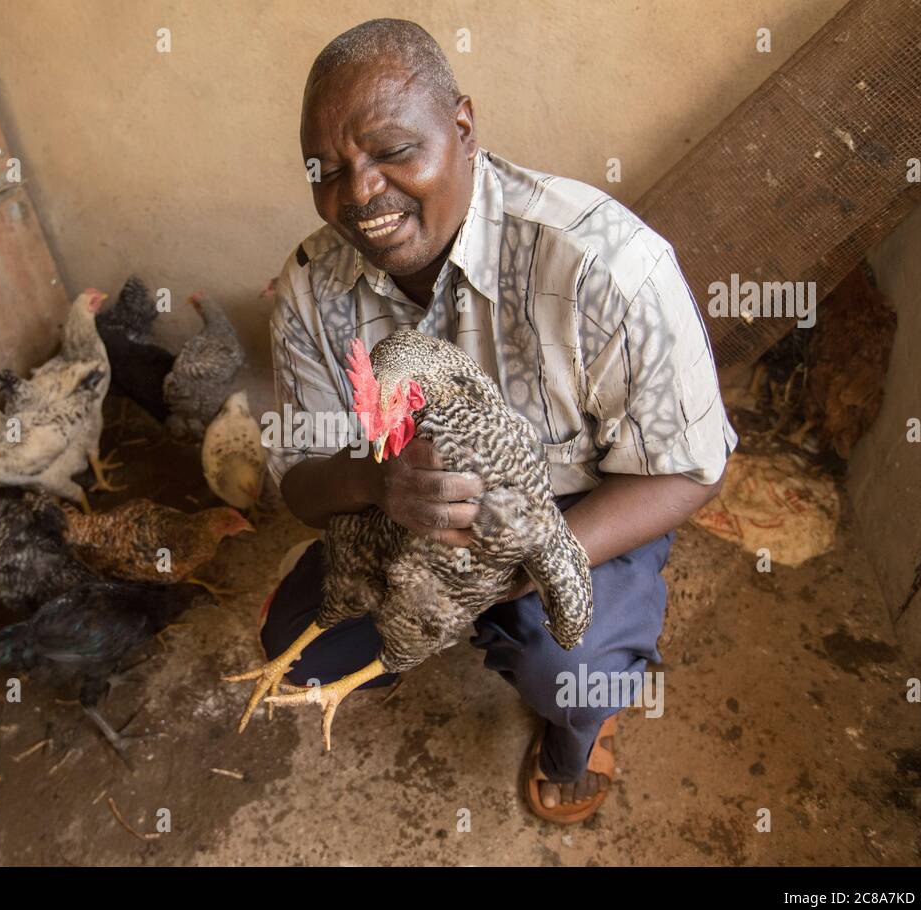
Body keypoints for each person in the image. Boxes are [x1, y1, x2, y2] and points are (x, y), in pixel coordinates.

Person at [262, 18, 736, 824]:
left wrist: (529, 561)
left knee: (568, 664)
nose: (360, 192)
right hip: (399, 524)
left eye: (391, 152)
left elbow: (692, 467)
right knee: (299, 650)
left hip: (575, 512)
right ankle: (445, 630)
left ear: (463, 127)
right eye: (329, 170)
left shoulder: (604, 266)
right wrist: (381, 482)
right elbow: (301, 487)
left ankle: (574, 730)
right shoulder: (310, 291)